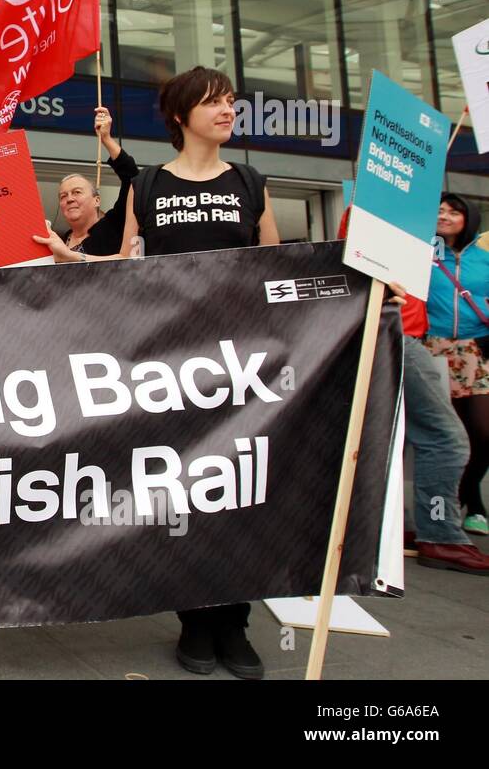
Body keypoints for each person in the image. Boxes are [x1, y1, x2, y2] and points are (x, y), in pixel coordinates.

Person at [35, 66, 278, 679]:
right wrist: (68, 258)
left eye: (230, 101)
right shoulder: (148, 187)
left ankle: (235, 623)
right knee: (186, 495)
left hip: (244, 370)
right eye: (214, 102)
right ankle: (195, 620)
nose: (228, 110)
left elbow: (279, 273)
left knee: (240, 499)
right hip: (173, 371)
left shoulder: (252, 182)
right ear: (179, 117)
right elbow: (126, 276)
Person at [338, 209, 488, 574]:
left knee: (392, 440)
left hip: (407, 336)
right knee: (446, 438)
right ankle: (440, 535)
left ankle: (402, 528)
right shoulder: (378, 207)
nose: (442, 213)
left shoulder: (404, 214)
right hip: (395, 334)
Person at [424, 192, 489, 537]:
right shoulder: (424, 254)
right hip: (433, 348)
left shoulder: (484, 258)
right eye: (440, 210)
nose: (444, 215)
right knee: (449, 433)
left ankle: (470, 495)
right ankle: (468, 505)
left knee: (483, 433)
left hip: (476, 351)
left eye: (453, 211)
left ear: (470, 218)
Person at [58, 107, 139, 257]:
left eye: (76, 192)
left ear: (97, 200)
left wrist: (106, 139)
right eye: (63, 196)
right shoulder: (59, 243)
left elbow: (132, 178)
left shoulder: (113, 225)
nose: (69, 199)